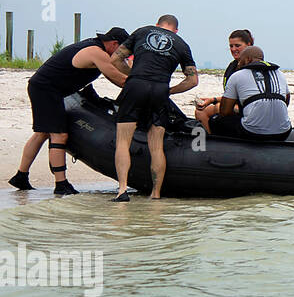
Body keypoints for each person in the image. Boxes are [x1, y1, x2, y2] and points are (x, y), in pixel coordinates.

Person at [10, 27, 131, 194]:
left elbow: (123, 70)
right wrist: (143, 87)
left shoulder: (99, 48)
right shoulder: (97, 53)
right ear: (114, 44)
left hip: (44, 87)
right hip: (47, 89)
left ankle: (20, 176)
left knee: (42, 133)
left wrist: (138, 72)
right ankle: (61, 184)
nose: (122, 56)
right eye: (123, 52)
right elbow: (117, 78)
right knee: (59, 135)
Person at [110, 15, 199, 201]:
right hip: (160, 90)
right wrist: (170, 91)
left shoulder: (143, 31)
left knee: (123, 142)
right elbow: (193, 80)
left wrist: (133, 75)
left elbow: (115, 59)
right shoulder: (182, 44)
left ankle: (122, 191)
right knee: (157, 147)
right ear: (175, 30)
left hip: (135, 86)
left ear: (157, 24)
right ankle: (155, 193)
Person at [205, 46, 292, 142]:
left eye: (240, 61)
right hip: (284, 132)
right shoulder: (280, 74)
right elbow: (286, 102)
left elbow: (224, 112)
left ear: (247, 59)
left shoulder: (237, 76)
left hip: (252, 133)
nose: (238, 64)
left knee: (215, 120)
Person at [195, 29, 254, 131]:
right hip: (234, 104)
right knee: (200, 111)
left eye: (237, 45)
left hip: (249, 107)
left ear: (248, 45)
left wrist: (213, 100)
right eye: (231, 46)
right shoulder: (232, 66)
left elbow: (240, 97)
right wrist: (210, 100)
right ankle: (212, 140)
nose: (233, 49)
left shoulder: (253, 66)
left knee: (218, 107)